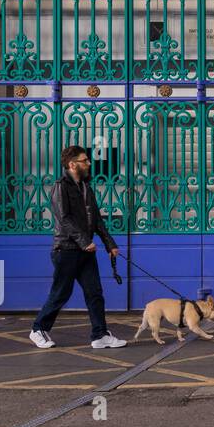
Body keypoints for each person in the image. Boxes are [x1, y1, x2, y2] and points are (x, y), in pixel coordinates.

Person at [29, 146, 127, 349]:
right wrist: (84, 241)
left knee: (95, 293)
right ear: (72, 164)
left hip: (84, 251)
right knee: (61, 293)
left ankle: (100, 335)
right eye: (85, 160)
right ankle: (38, 329)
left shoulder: (85, 187)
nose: (89, 163)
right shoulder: (60, 187)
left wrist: (110, 244)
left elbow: (97, 220)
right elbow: (64, 219)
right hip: (66, 250)